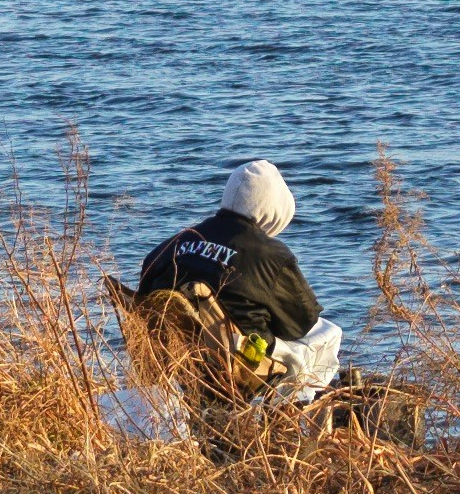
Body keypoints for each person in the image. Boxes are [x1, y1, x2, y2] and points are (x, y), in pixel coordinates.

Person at [126, 160, 344, 410]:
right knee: (328, 333)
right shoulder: (272, 256)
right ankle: (293, 414)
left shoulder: (173, 244)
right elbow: (301, 323)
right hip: (240, 359)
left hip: (176, 355)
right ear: (276, 209)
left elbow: (144, 294)